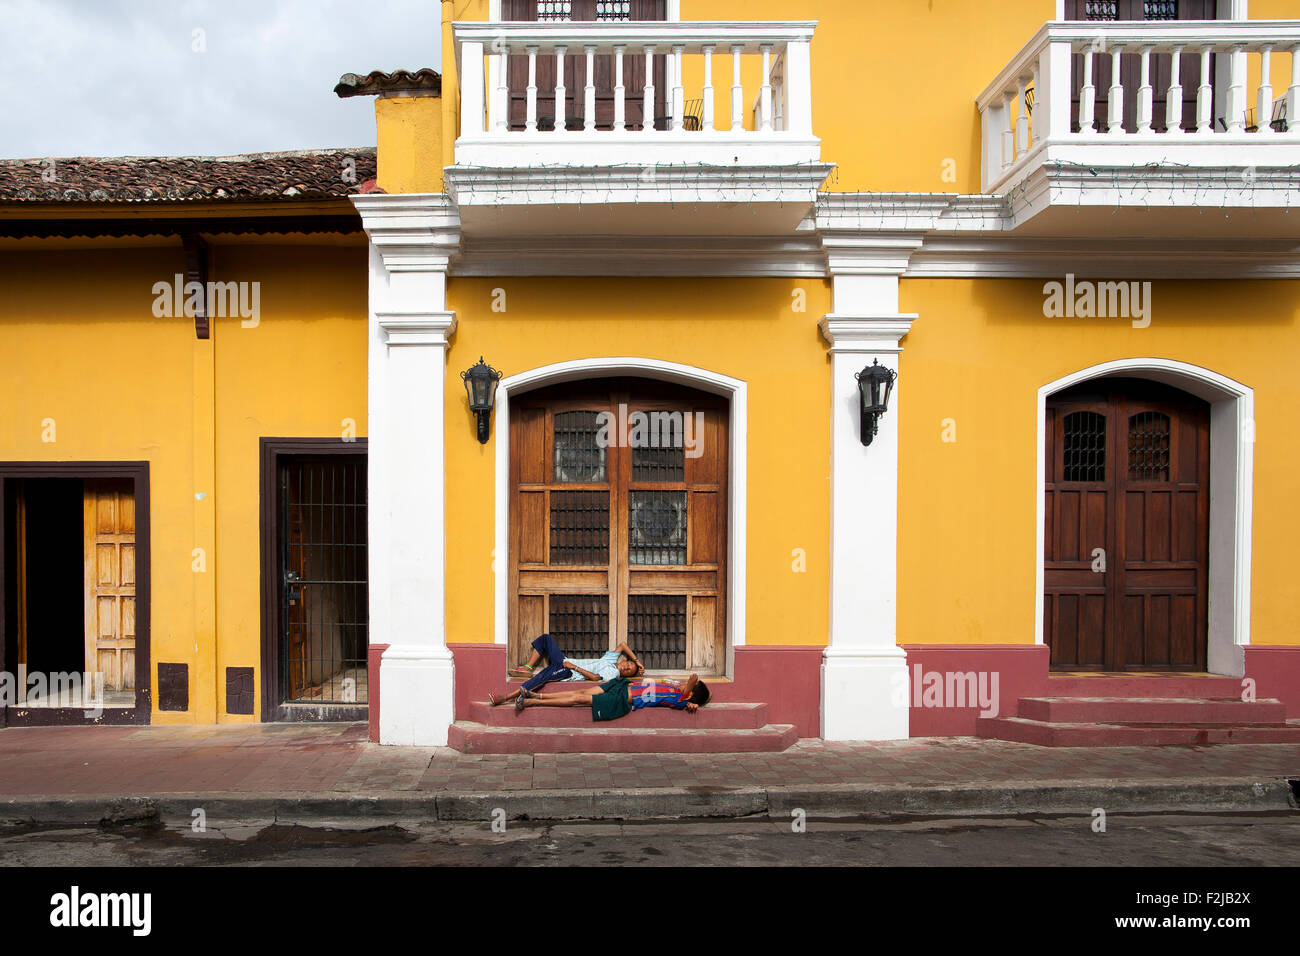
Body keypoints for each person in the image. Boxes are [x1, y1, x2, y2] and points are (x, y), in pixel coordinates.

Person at [489, 636, 644, 711]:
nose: (626, 667)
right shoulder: (611, 659)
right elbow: (623, 645)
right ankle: (529, 666)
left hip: (568, 671)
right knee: (546, 639)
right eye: (628, 664)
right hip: (565, 661)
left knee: (545, 675)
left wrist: (574, 667)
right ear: (625, 660)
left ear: (626, 675)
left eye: (629, 670)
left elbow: (595, 678)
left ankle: (507, 697)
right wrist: (637, 661)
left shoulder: (613, 674)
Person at [517, 673, 711, 722]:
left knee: (578, 700)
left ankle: (531, 702)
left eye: (690, 684)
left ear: (692, 692)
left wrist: (695, 702)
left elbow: (689, 695)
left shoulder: (680, 700)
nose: (686, 682)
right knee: (580, 693)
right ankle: (537, 695)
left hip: (619, 701)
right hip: (621, 686)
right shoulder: (673, 688)